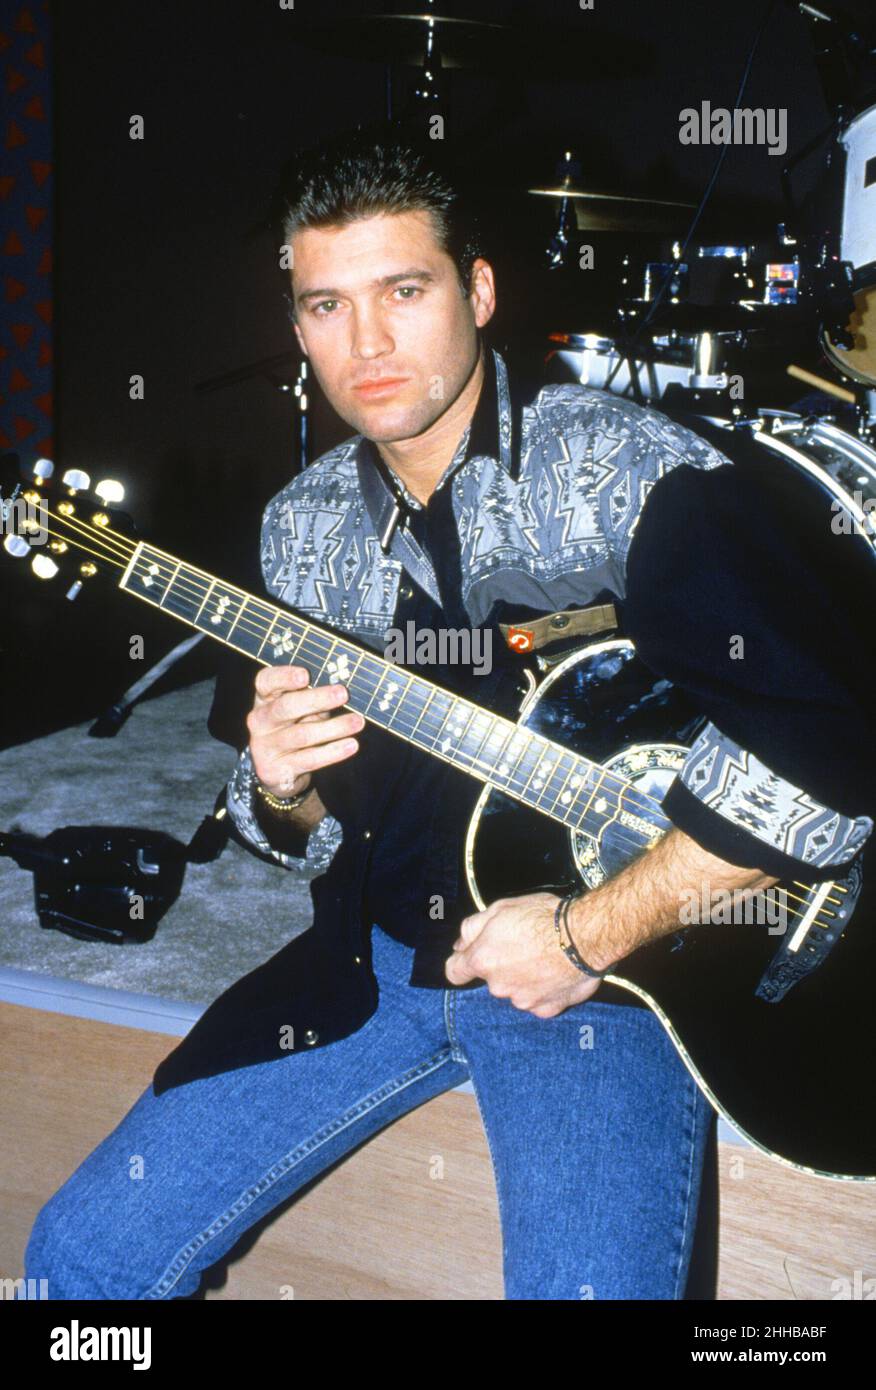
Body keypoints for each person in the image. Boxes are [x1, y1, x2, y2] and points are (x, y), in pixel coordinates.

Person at [24, 128, 873, 1301]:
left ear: (476, 290)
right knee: (78, 1266)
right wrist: (282, 782)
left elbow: (828, 764)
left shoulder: (631, 474)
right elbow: (284, 837)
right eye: (326, 306)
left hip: (616, 975)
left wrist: (583, 935)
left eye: (403, 291)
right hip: (374, 960)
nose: (364, 344)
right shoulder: (301, 529)